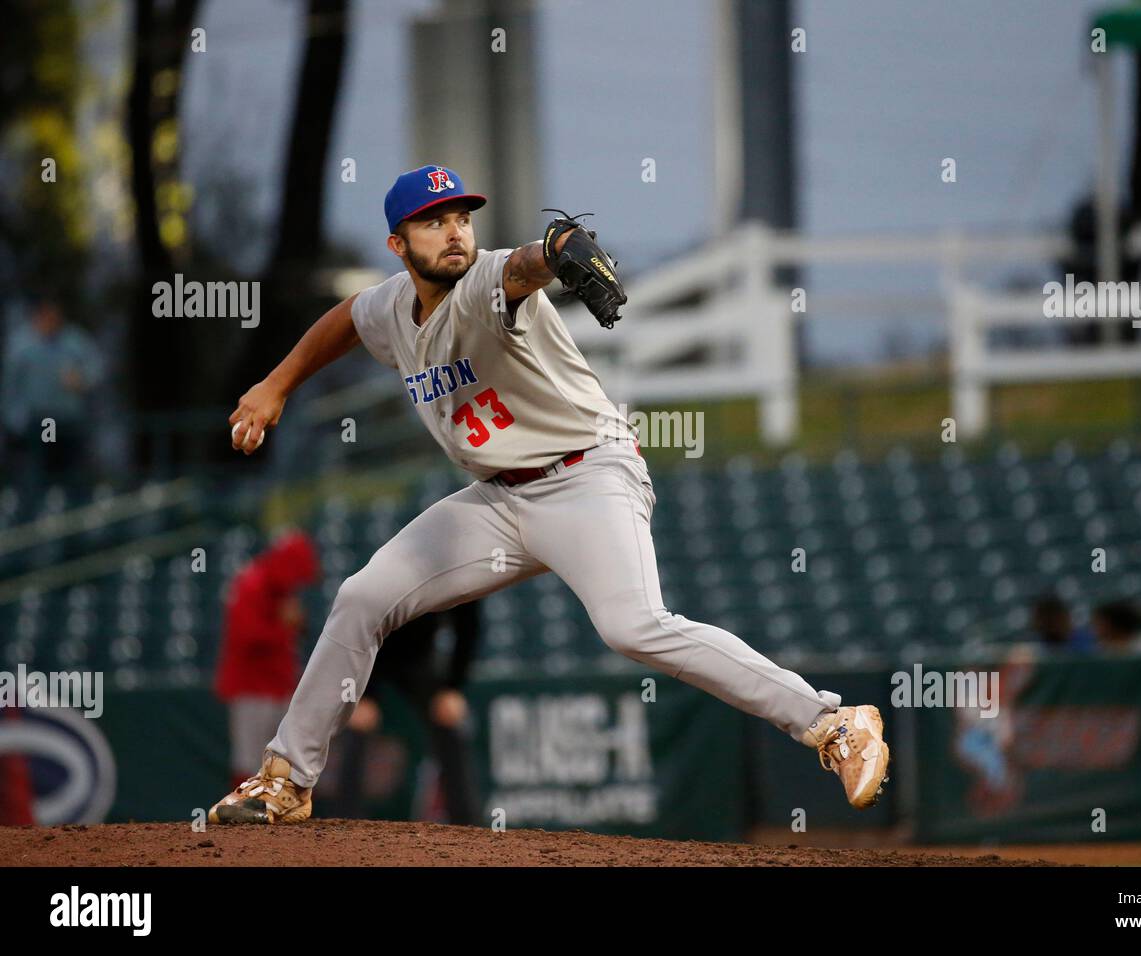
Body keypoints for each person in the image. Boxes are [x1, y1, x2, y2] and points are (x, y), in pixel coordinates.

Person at [208, 165, 887, 825]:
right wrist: (276, 385)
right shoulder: (391, 305)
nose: (454, 232)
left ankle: (833, 723)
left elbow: (522, 266)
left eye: (461, 217)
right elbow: (345, 322)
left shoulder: (482, 283)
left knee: (633, 626)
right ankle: (286, 781)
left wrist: (559, 249)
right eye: (432, 221)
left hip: (588, 477)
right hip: (499, 501)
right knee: (361, 596)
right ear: (398, 245)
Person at [329, 604, 481, 824]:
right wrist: (365, 694)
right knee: (357, 722)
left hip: (418, 656)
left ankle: (467, 822)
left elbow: (468, 626)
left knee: (448, 718)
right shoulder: (381, 573)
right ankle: (343, 819)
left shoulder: (456, 575)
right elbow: (359, 625)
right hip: (370, 656)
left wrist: (452, 688)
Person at [213, 530, 321, 792]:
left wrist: (295, 625)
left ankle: (276, 814)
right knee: (248, 760)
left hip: (279, 685)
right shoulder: (250, 583)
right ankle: (240, 818)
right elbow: (245, 637)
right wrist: (286, 627)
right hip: (252, 688)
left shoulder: (283, 590)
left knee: (285, 760)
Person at [1, 295, 103, 491]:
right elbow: (10, 388)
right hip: (38, 422)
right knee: (39, 474)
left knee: (71, 474)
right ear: (37, 316)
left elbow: (97, 368)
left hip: (69, 419)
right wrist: (15, 422)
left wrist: (83, 380)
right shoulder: (21, 345)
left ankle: (66, 505)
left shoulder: (75, 340)